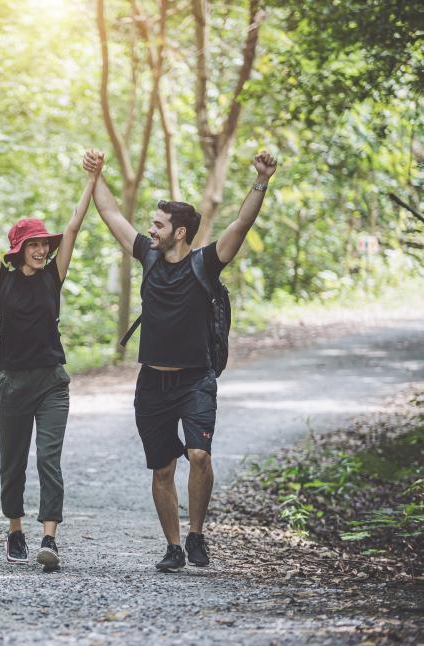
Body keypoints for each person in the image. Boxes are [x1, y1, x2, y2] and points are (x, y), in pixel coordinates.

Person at [84, 148, 278, 572]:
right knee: (162, 469)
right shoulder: (148, 257)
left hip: (195, 380)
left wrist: (261, 179)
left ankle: (196, 536)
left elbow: (241, 224)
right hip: (152, 383)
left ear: (181, 231)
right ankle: (173, 546)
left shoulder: (204, 263)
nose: (150, 230)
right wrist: (96, 175)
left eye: (159, 225)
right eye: (152, 224)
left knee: (200, 456)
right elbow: (111, 214)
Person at [0, 154, 97, 572]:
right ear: (19, 249)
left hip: (51, 383)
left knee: (48, 458)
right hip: (12, 384)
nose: (43, 249)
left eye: (45, 243)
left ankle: (50, 538)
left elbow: (77, 224)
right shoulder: (1, 280)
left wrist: (91, 179)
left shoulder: (53, 277)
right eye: (35, 244)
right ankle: (15, 530)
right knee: (13, 461)